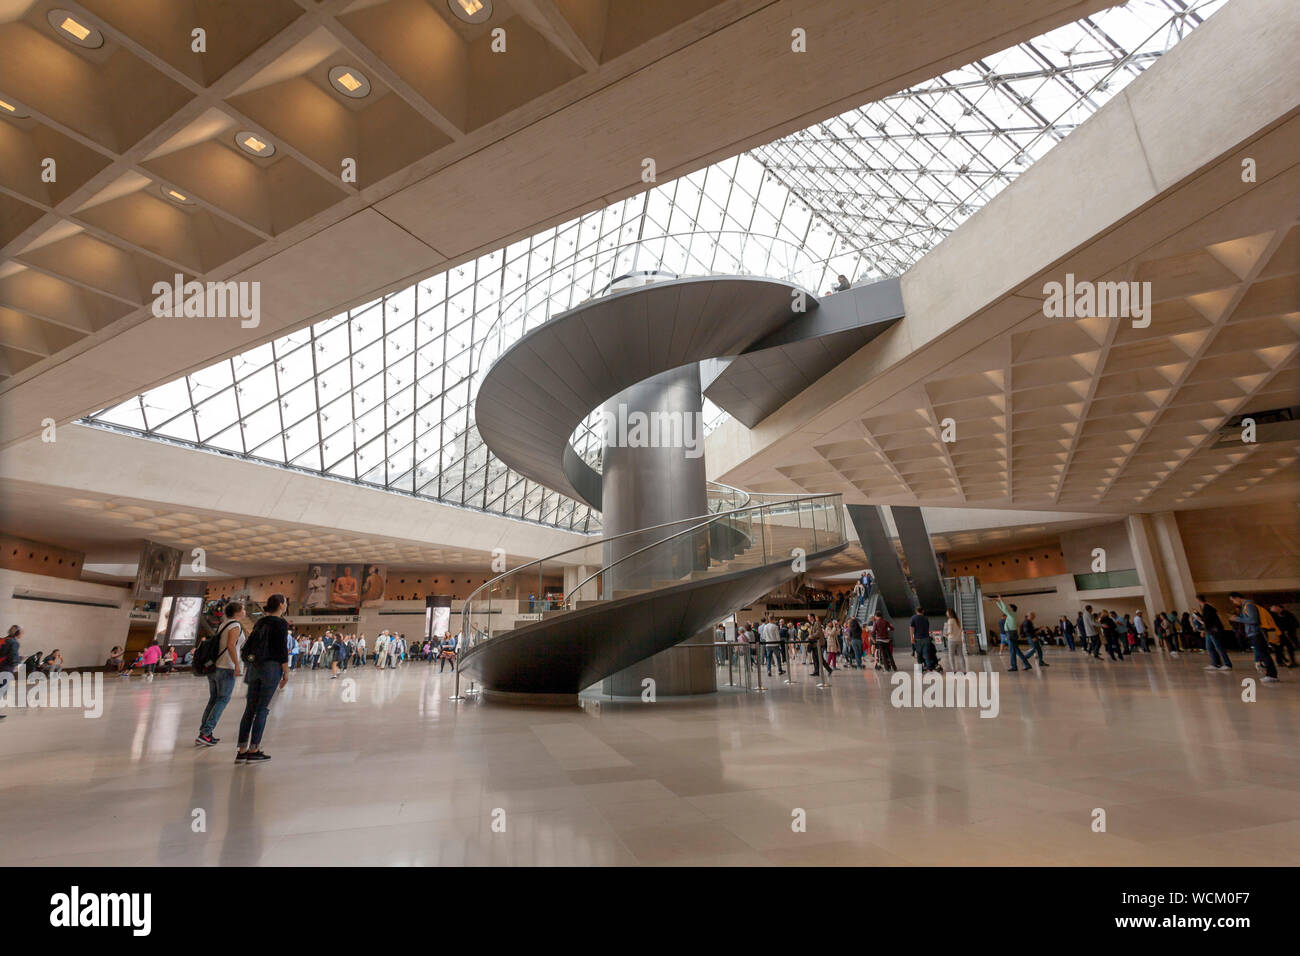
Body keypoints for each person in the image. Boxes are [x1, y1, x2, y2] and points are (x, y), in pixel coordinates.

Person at [236, 594, 291, 763]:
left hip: (255, 667)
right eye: (286, 603)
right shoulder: (281, 623)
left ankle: (242, 749)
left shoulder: (261, 622)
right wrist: (285, 671)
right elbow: (281, 648)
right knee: (263, 709)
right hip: (271, 668)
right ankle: (254, 749)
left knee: (249, 709)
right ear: (281, 605)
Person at [197, 601, 246, 746]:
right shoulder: (235, 625)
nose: (245, 611)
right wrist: (237, 665)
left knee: (214, 699)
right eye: (243, 609)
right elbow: (231, 645)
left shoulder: (223, 624)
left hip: (215, 666)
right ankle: (206, 732)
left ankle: (204, 732)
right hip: (226, 667)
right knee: (223, 699)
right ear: (237, 612)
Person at [1228, 593, 1278, 681]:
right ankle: (1270, 674)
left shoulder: (1248, 605)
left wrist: (1237, 619)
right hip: (1253, 633)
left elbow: (1253, 620)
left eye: (1233, 600)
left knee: (1264, 654)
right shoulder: (1245, 606)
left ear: (1238, 598)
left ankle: (1272, 675)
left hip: (1256, 633)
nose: (1234, 603)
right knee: (1262, 654)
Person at [910, 607, 940, 672]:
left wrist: (911, 638)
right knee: (927, 654)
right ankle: (929, 668)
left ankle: (920, 669)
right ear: (923, 611)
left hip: (917, 639)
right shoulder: (926, 618)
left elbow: (911, 628)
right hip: (926, 638)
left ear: (916, 611)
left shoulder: (913, 618)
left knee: (919, 655)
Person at [0, 625, 21, 719]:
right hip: (6, 669)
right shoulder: (14, 642)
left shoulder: (3, 640)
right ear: (18, 633)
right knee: (2, 690)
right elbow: (13, 657)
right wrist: (17, 662)